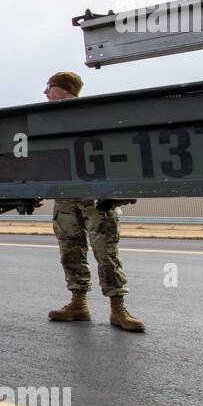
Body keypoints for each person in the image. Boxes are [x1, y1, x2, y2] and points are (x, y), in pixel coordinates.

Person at [43, 71, 145, 332]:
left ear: (66, 90)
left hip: (95, 194)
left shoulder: (92, 114)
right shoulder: (47, 119)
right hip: (65, 195)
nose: (45, 92)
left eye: (50, 87)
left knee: (105, 251)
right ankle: (78, 304)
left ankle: (117, 309)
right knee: (70, 249)